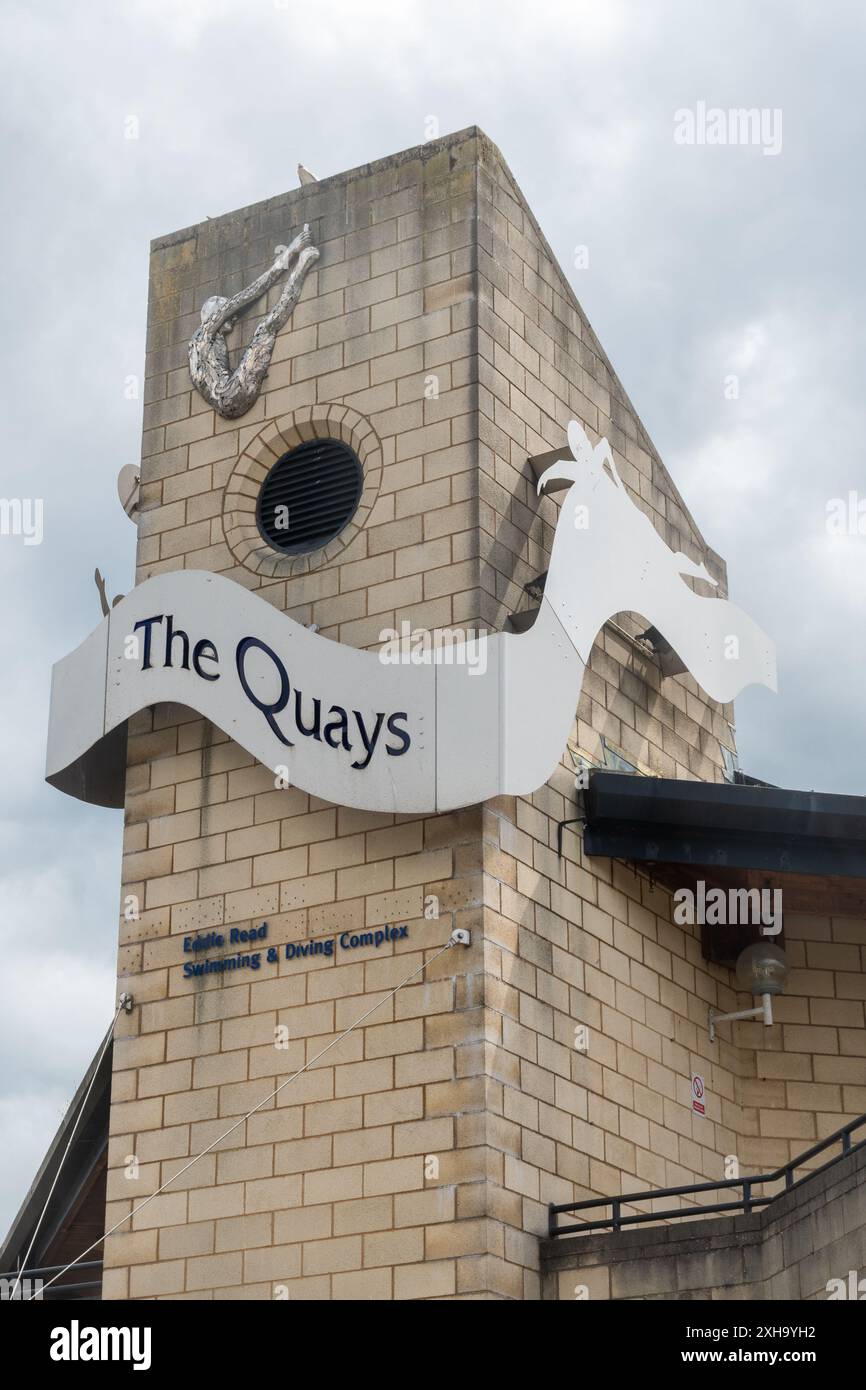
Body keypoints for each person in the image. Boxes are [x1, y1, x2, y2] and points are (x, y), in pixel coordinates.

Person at [188, 224, 319, 419]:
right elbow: (254, 290)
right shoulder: (204, 335)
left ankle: (301, 265)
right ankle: (302, 266)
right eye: (227, 312)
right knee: (266, 328)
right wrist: (292, 249)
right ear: (215, 315)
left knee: (266, 328)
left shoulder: (201, 344)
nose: (233, 316)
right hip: (231, 395)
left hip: (229, 398)